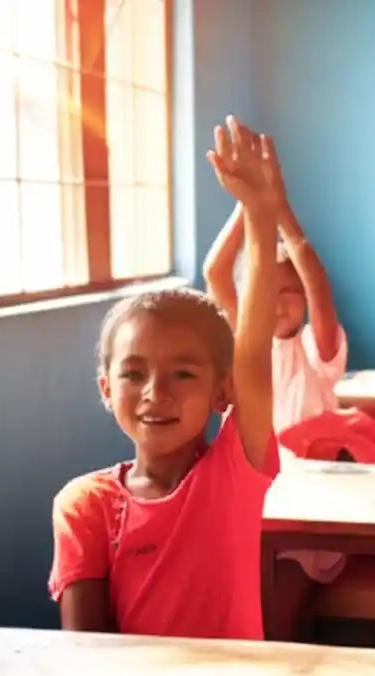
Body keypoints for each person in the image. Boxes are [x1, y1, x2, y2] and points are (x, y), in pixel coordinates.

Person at [48, 116, 282, 639]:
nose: (156, 393)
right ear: (106, 390)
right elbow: (83, 651)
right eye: (133, 373)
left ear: (224, 390)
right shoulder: (85, 505)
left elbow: (255, 351)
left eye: (183, 373)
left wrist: (262, 217)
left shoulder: (233, 472)